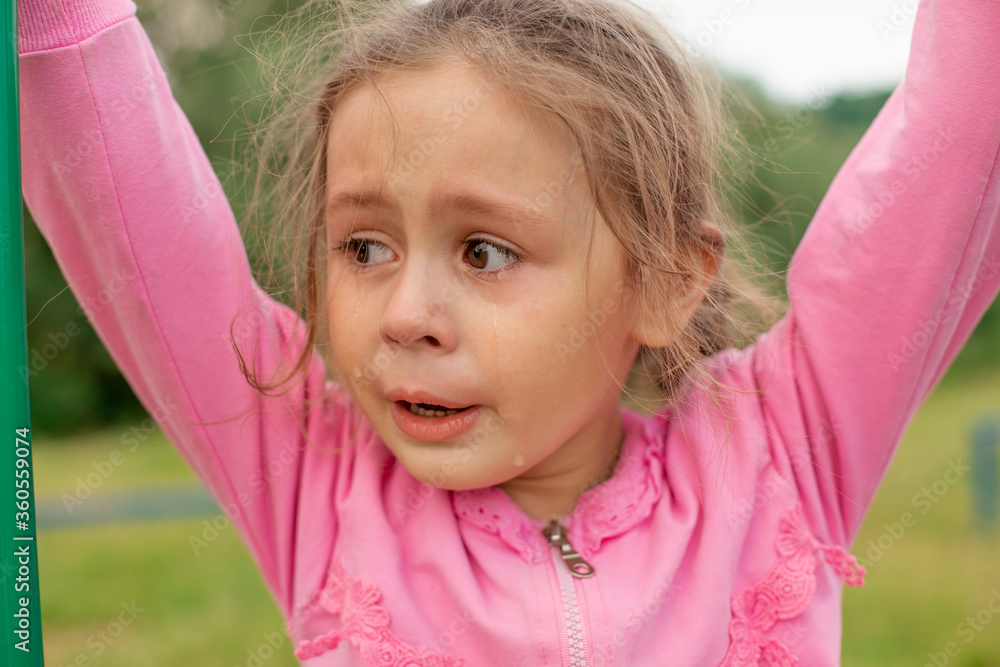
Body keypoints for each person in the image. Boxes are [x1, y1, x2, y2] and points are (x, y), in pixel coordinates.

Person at [17, 0, 1000, 664]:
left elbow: (958, 141)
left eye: (483, 252)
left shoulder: (781, 450)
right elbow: (124, 205)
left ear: (661, 281)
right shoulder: (317, 483)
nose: (405, 315)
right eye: (364, 247)